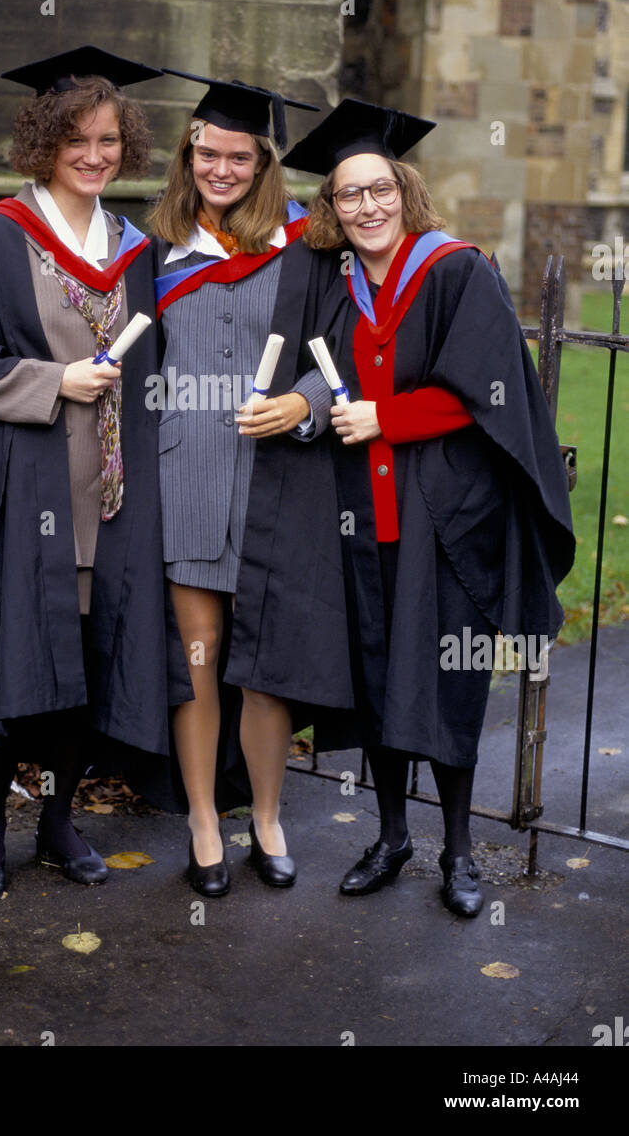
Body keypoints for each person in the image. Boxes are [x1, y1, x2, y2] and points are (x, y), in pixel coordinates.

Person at [276, 97, 575, 917]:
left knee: (447, 684)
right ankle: (390, 836)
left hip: (442, 521)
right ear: (331, 209)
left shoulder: (452, 270)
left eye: (379, 189)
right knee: (375, 683)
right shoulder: (334, 285)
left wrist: (387, 416)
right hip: (360, 519)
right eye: (347, 195)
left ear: (403, 192)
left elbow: (493, 392)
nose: (366, 206)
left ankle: (455, 851)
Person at [0, 46, 178, 901]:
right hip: (19, 494)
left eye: (107, 140)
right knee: (7, 653)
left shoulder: (137, 252)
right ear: (42, 146)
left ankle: (58, 822)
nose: (94, 156)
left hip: (110, 495)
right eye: (75, 142)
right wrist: (54, 380)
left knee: (83, 665)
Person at [151, 71, 345, 897]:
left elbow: (342, 357)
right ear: (189, 152)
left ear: (264, 161)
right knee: (196, 661)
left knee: (263, 666)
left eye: (239, 156)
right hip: (184, 479)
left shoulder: (305, 247)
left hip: (276, 484)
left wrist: (304, 401)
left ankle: (265, 818)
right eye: (208, 153)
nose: (221, 169)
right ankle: (202, 822)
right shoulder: (154, 253)